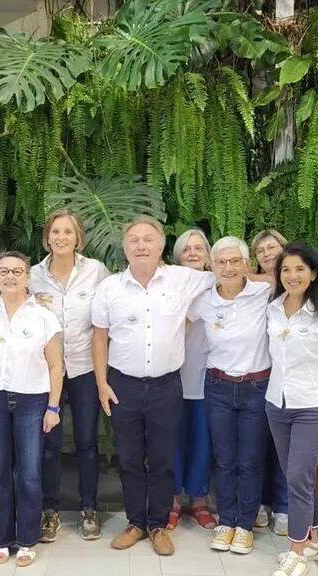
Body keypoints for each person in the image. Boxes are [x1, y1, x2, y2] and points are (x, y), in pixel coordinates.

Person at [91, 215, 214, 556]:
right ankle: (135, 523)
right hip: (122, 385)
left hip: (166, 386)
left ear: (161, 245)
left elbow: (231, 276)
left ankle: (158, 525)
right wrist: (102, 383)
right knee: (130, 458)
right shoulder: (110, 287)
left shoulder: (183, 279)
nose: (142, 246)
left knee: (161, 459)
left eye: (149, 239)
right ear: (125, 247)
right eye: (134, 240)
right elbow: (99, 338)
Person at [0, 252, 64, 567]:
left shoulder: (43, 316)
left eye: (17, 271)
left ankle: (27, 539)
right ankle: (3, 539)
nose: (10, 276)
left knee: (29, 471)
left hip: (32, 400)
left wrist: (53, 406)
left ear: (27, 276)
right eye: (3, 271)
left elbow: (55, 366)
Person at [266, 242, 318, 576]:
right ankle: (314, 538)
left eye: (300, 269)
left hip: (312, 407)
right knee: (295, 476)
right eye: (286, 269)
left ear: (314, 274)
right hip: (276, 404)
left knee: (298, 478)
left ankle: (296, 553)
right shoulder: (272, 307)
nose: (292, 275)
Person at [188, 236, 273, 555]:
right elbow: (174, 320)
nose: (228, 267)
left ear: (246, 264)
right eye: (221, 262)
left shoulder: (263, 292)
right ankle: (227, 521)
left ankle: (245, 525)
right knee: (224, 460)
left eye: (235, 261)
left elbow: (297, 283)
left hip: (257, 387)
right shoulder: (204, 300)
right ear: (212, 265)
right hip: (218, 386)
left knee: (250, 462)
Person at [30, 209, 109, 542]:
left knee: (87, 442)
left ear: (79, 237)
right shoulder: (32, 275)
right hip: (46, 372)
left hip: (85, 369)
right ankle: (50, 510)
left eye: (68, 232)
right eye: (55, 232)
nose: (61, 238)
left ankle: (89, 508)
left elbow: (108, 319)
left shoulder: (97, 272)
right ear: (47, 237)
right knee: (48, 444)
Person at [168, 229, 215, 531]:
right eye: (187, 249)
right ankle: (171, 500)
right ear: (177, 256)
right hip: (170, 377)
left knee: (203, 441)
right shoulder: (168, 282)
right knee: (172, 440)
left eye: (200, 248)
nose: (194, 253)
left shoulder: (218, 281)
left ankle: (199, 501)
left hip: (207, 376)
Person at [250, 229, 290, 536]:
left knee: (285, 446)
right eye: (261, 250)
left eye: (272, 247)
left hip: (292, 377)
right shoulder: (252, 283)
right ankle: (262, 503)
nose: (267, 253)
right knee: (259, 443)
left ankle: (285, 506)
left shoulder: (296, 281)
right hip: (260, 374)